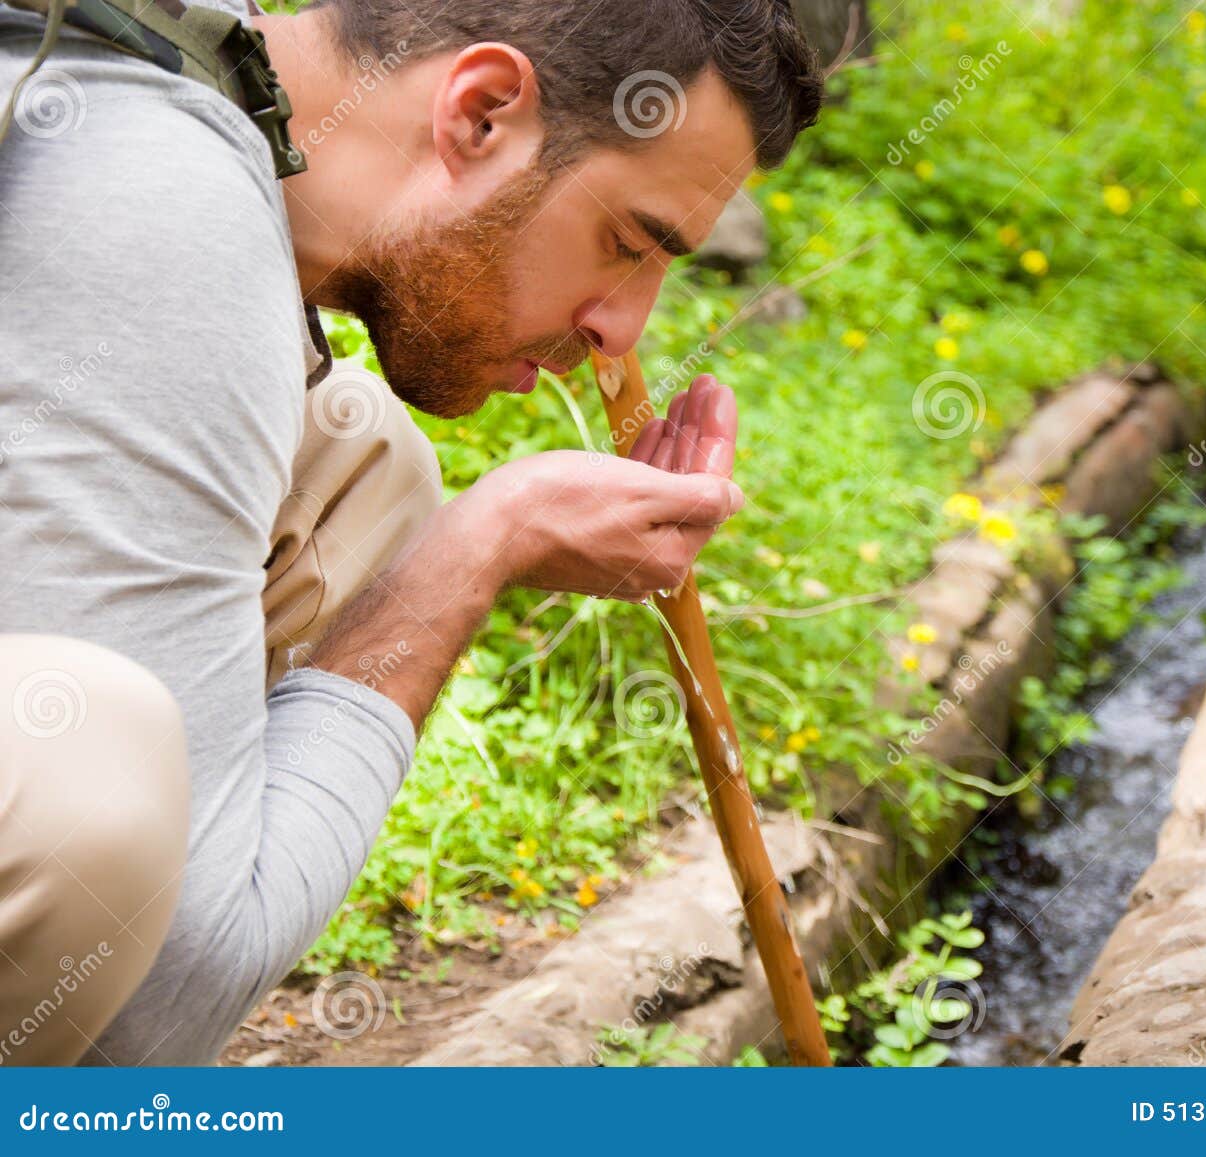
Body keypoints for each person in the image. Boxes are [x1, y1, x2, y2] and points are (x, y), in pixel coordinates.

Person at [0, 0, 820, 1065]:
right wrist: (483, 547)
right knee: (86, 773)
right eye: (628, 243)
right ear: (480, 114)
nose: (624, 328)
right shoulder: (165, 214)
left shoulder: (186, 66)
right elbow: (147, 1013)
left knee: (361, 471)